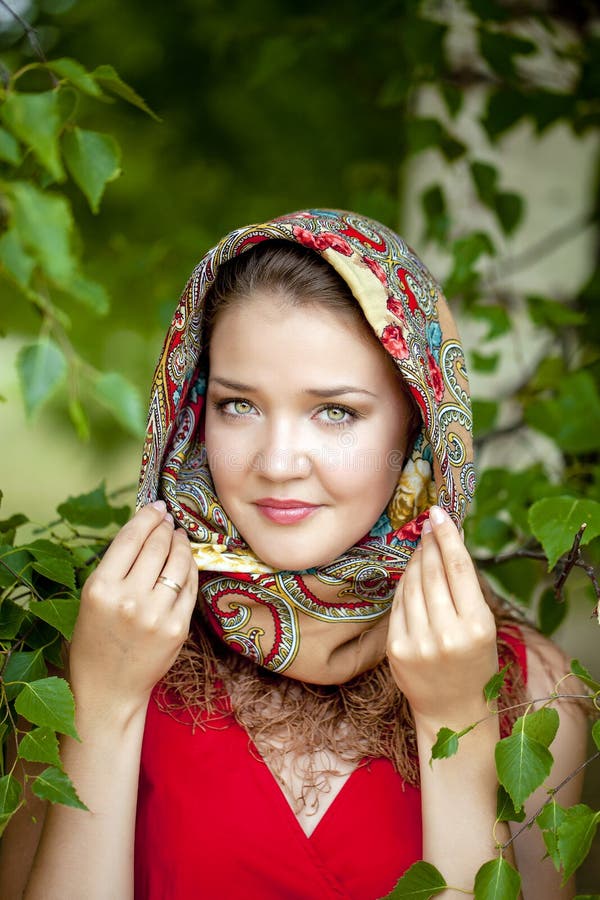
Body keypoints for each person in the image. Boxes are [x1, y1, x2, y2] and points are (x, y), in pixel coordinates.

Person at [1, 210, 588, 899]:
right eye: (238, 405)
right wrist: (103, 708)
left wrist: (457, 723)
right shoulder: (103, 634)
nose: (277, 463)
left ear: (419, 422)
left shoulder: (532, 691)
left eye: (335, 411)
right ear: (193, 409)